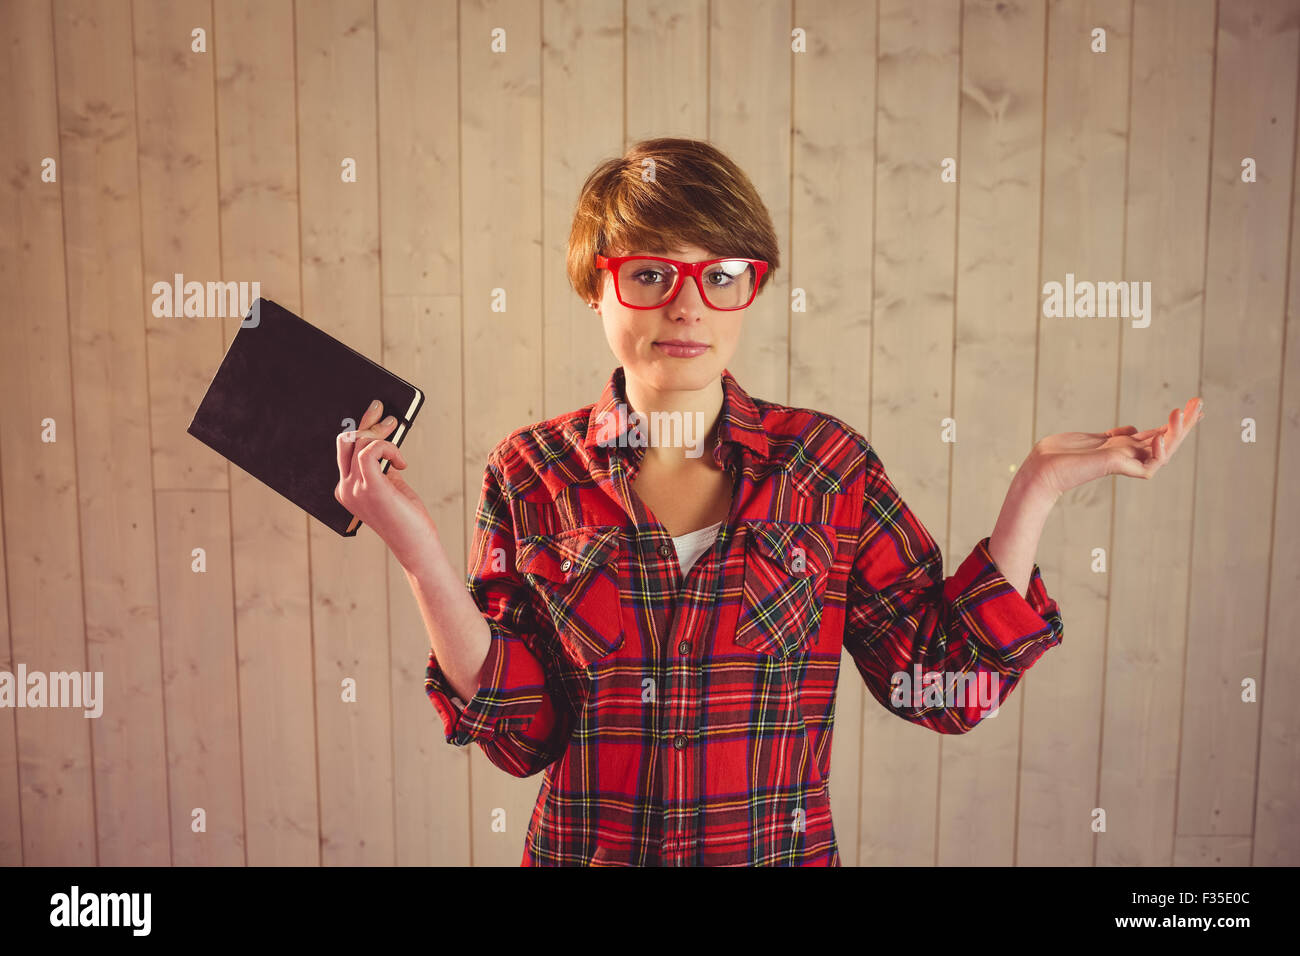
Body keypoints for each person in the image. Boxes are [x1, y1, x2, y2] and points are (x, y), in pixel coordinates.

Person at [334, 137, 1203, 866]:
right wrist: (418, 556)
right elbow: (521, 737)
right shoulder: (531, 471)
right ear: (594, 286)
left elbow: (947, 687)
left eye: (721, 276)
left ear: (751, 287)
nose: (686, 305)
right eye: (648, 274)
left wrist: (1037, 486)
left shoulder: (826, 468)